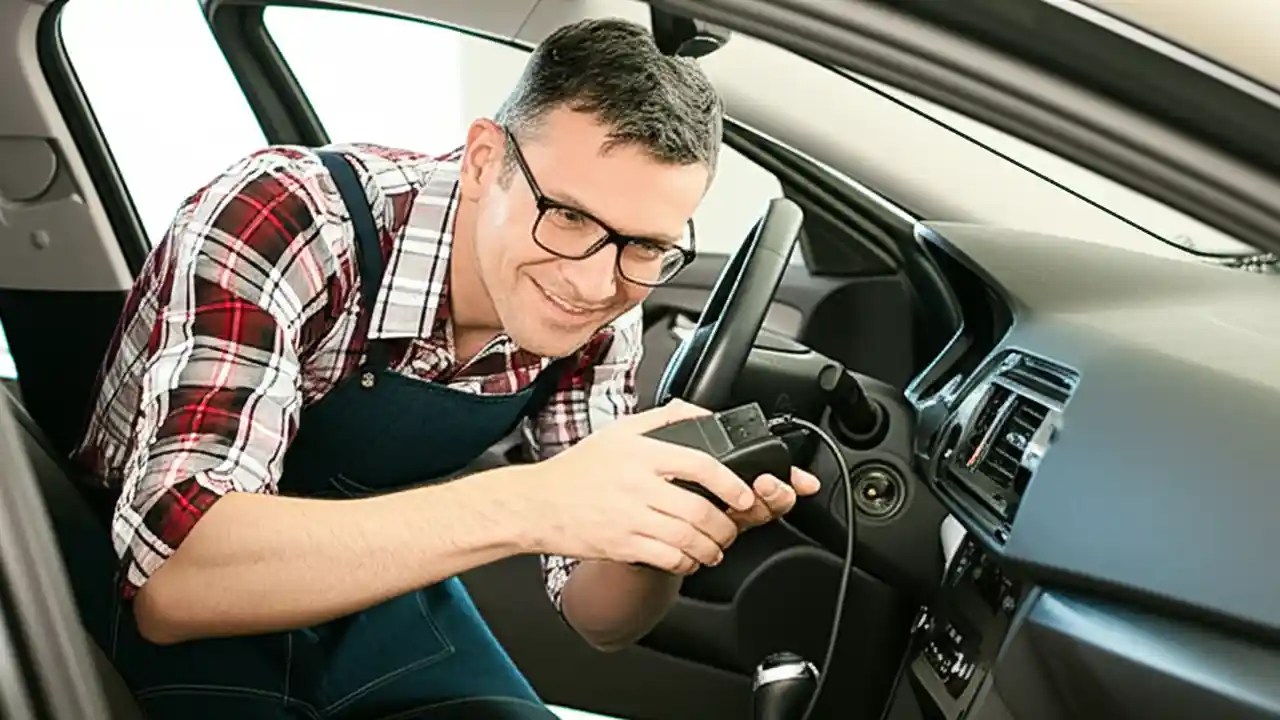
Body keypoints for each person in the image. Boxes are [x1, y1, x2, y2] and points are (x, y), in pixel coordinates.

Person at [72, 16, 820, 720]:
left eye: (648, 245)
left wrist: (666, 527)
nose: (595, 285)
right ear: (484, 161)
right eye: (567, 216)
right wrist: (533, 502)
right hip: (145, 577)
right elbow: (174, 583)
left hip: (376, 582)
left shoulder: (604, 296)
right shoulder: (289, 218)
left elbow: (599, 618)